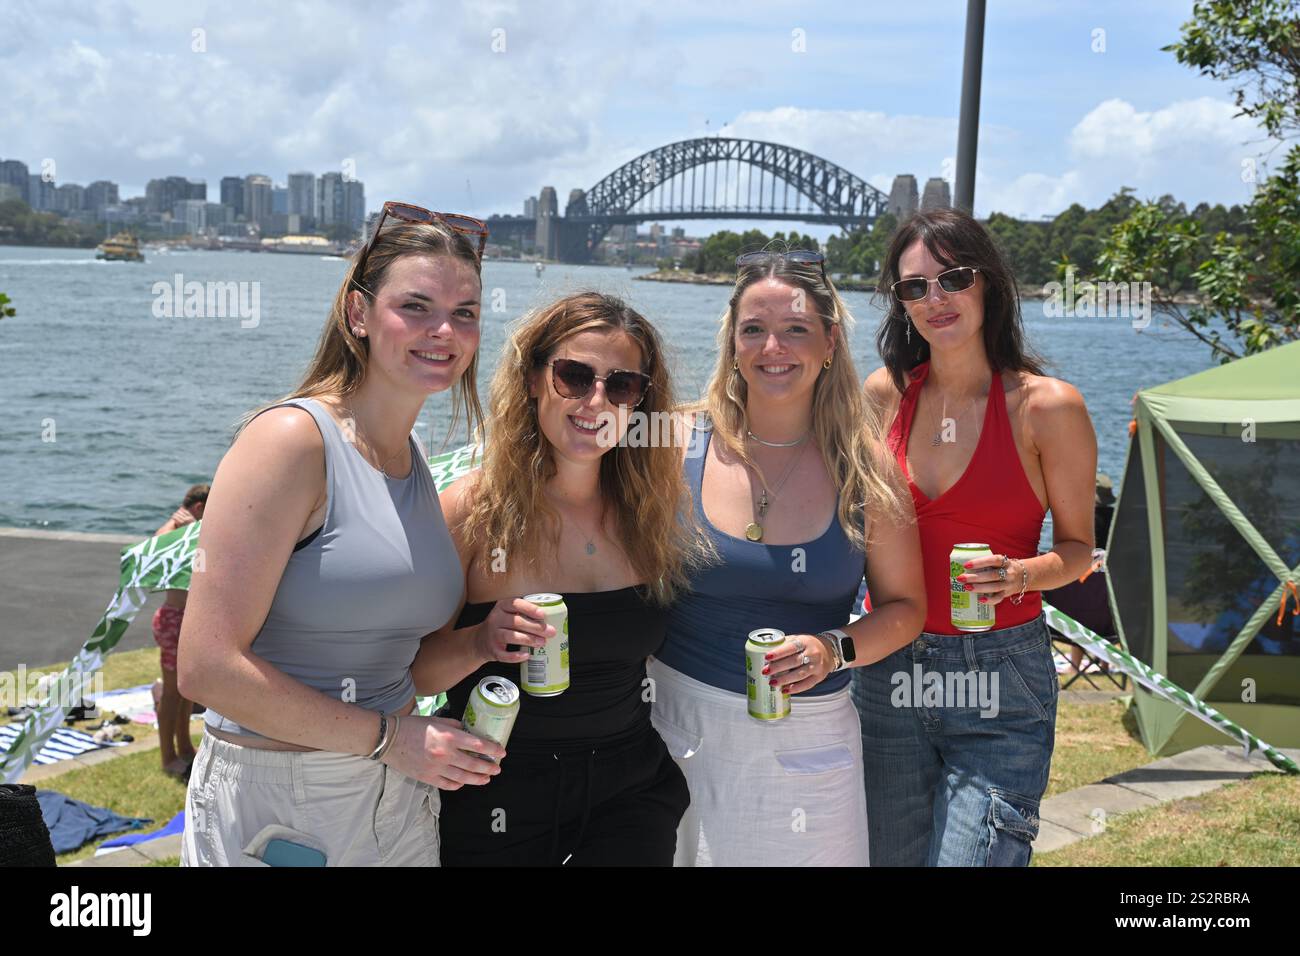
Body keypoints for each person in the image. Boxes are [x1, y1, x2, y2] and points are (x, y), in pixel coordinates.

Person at [178, 203, 505, 867]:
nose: (443, 330)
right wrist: (391, 739)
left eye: (464, 312)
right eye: (415, 306)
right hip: (282, 799)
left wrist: (480, 640)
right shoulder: (292, 441)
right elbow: (206, 667)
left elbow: (390, 660)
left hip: (393, 793)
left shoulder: (409, 456)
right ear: (358, 314)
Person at [648, 247, 926, 866]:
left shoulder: (866, 467)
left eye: (795, 329)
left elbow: (906, 609)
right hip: (670, 730)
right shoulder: (671, 444)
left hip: (808, 745)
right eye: (754, 329)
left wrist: (834, 648)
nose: (773, 347)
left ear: (829, 342)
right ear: (733, 342)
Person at [418, 291, 708, 866]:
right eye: (573, 375)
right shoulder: (473, 509)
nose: (595, 400)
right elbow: (413, 672)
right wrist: (480, 641)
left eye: (621, 385)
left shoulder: (650, 513)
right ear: (532, 379)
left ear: (640, 403)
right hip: (495, 785)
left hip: (630, 790)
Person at [857, 207, 1098, 866]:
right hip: (889, 670)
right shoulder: (884, 395)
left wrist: (1021, 574)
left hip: (1001, 675)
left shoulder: (1049, 408)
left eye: (952, 278)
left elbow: (1080, 550)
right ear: (901, 304)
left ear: (987, 284)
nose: (935, 299)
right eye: (914, 287)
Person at [150, 483, 208, 778]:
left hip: (188, 619)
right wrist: (176, 520)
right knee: (171, 693)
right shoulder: (176, 532)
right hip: (175, 620)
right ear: (198, 509)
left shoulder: (193, 535)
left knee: (186, 689)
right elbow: (152, 548)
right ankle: (167, 757)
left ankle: (184, 748)